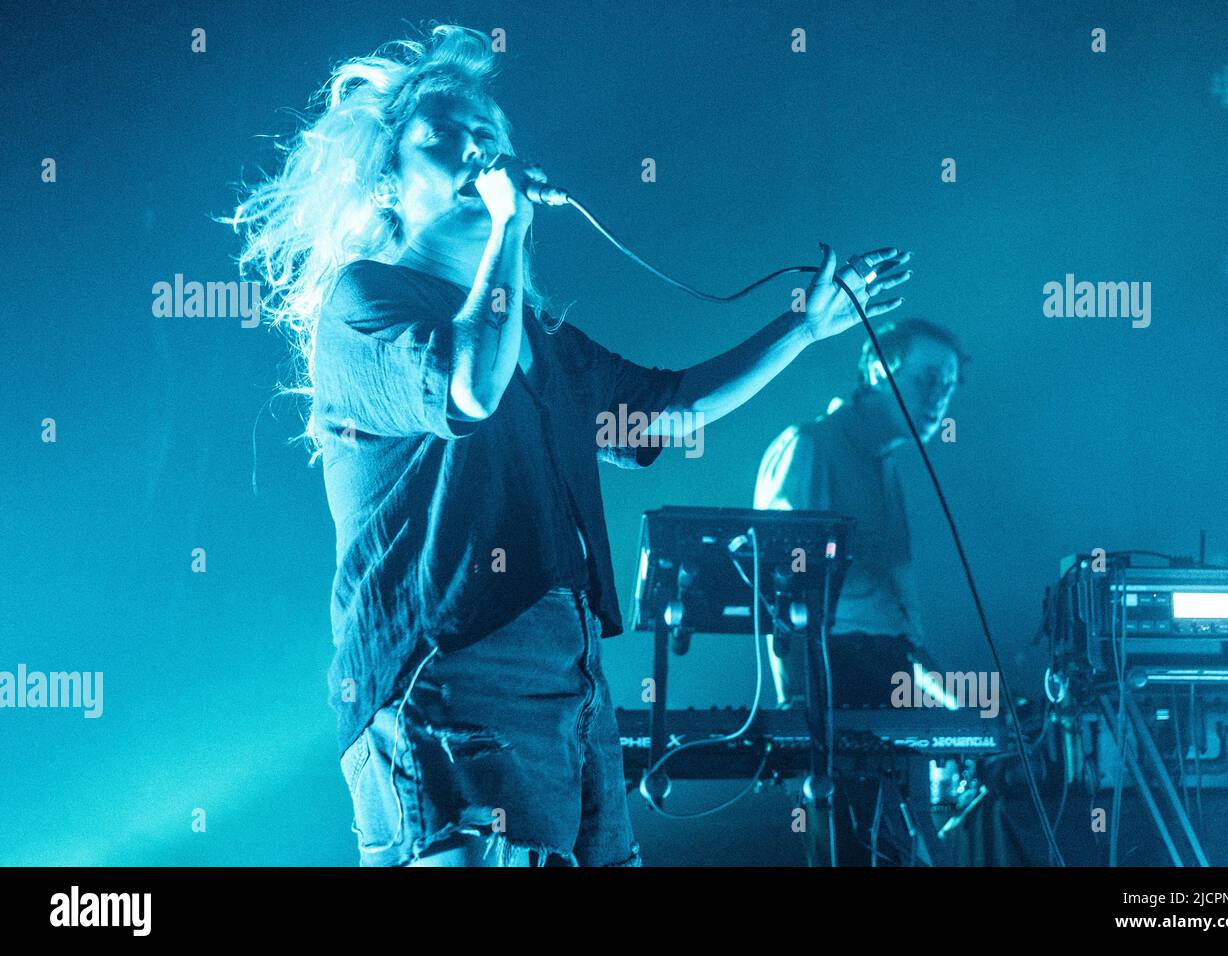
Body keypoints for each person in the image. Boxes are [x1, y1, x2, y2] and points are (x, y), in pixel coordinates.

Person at [231, 24, 912, 866]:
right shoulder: (365, 300)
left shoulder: (542, 341)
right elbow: (467, 390)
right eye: (446, 134)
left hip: (575, 678)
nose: (478, 150)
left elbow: (665, 413)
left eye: (491, 136)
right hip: (449, 675)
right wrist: (510, 226)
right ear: (385, 181)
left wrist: (800, 334)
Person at [753, 317, 965, 865]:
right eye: (927, 381)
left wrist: (958, 710)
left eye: (948, 387)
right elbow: (779, 596)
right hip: (836, 676)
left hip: (887, 670)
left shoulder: (886, 467)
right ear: (877, 368)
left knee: (904, 849)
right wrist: (798, 715)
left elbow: (895, 618)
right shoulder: (810, 447)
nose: (939, 399)